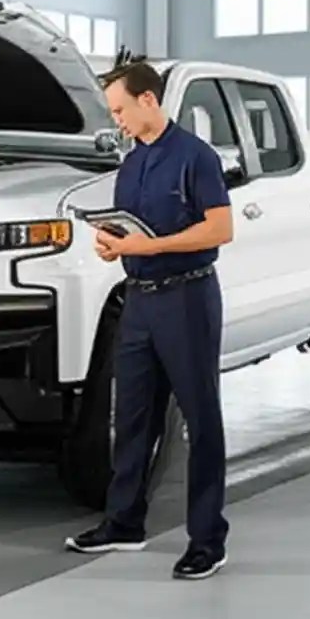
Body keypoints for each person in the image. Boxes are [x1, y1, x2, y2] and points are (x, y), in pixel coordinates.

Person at [64, 61, 234, 580]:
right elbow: (130, 231)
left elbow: (220, 230)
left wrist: (150, 246)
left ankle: (207, 540)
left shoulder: (195, 158)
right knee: (132, 415)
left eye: (119, 109)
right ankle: (123, 523)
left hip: (187, 299)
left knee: (201, 420)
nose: (115, 120)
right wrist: (112, 245)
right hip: (138, 301)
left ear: (148, 101)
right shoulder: (132, 164)